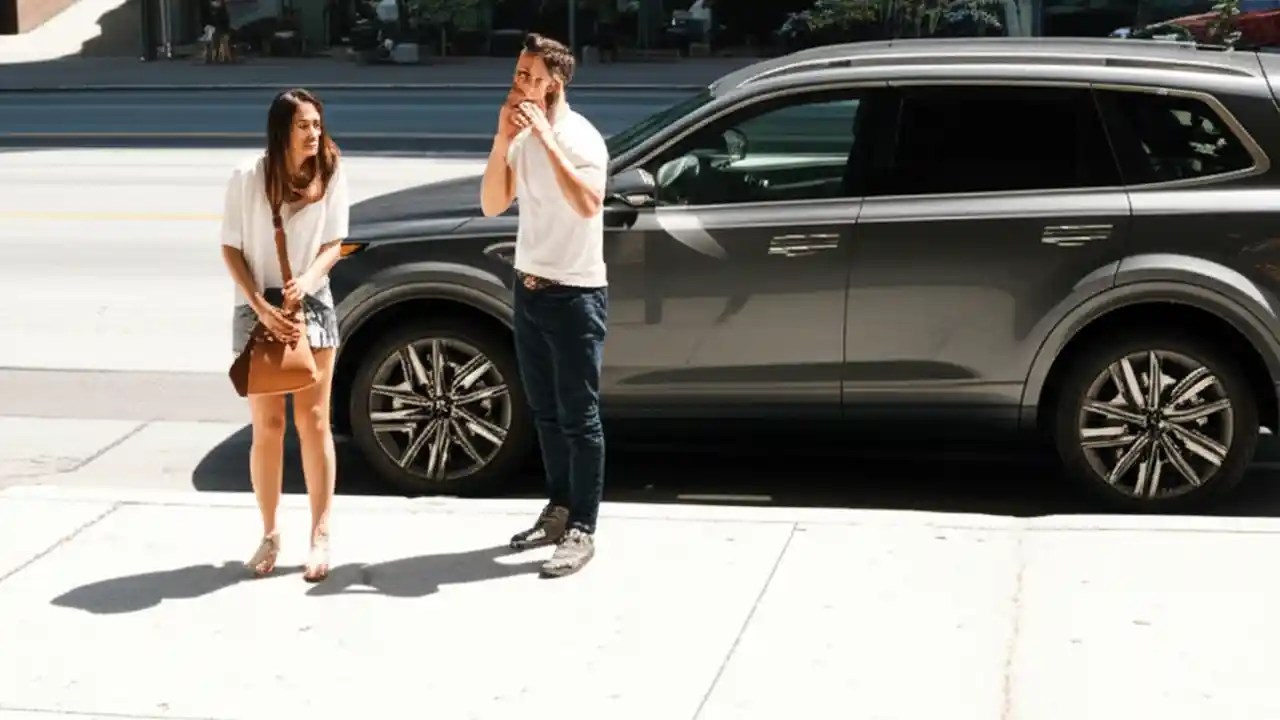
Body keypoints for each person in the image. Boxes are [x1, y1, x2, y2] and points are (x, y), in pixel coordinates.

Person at [481, 33, 610, 578]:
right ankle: (557, 510)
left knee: (580, 418)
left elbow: (588, 203)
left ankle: (583, 526)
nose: (520, 85)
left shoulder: (581, 138)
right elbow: (491, 205)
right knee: (546, 414)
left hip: (576, 293)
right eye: (517, 74)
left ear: (554, 84)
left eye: (530, 77)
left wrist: (546, 139)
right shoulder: (519, 136)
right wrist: (501, 136)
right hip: (528, 288)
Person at [219, 88, 350, 583]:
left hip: (311, 298)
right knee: (267, 427)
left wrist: (307, 283)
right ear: (281, 131)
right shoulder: (248, 178)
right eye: (303, 126)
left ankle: (321, 533)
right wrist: (259, 305)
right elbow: (230, 247)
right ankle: (270, 533)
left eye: (317, 124)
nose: (314, 133)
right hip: (256, 304)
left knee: (314, 420)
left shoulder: (333, 169)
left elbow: (335, 243)